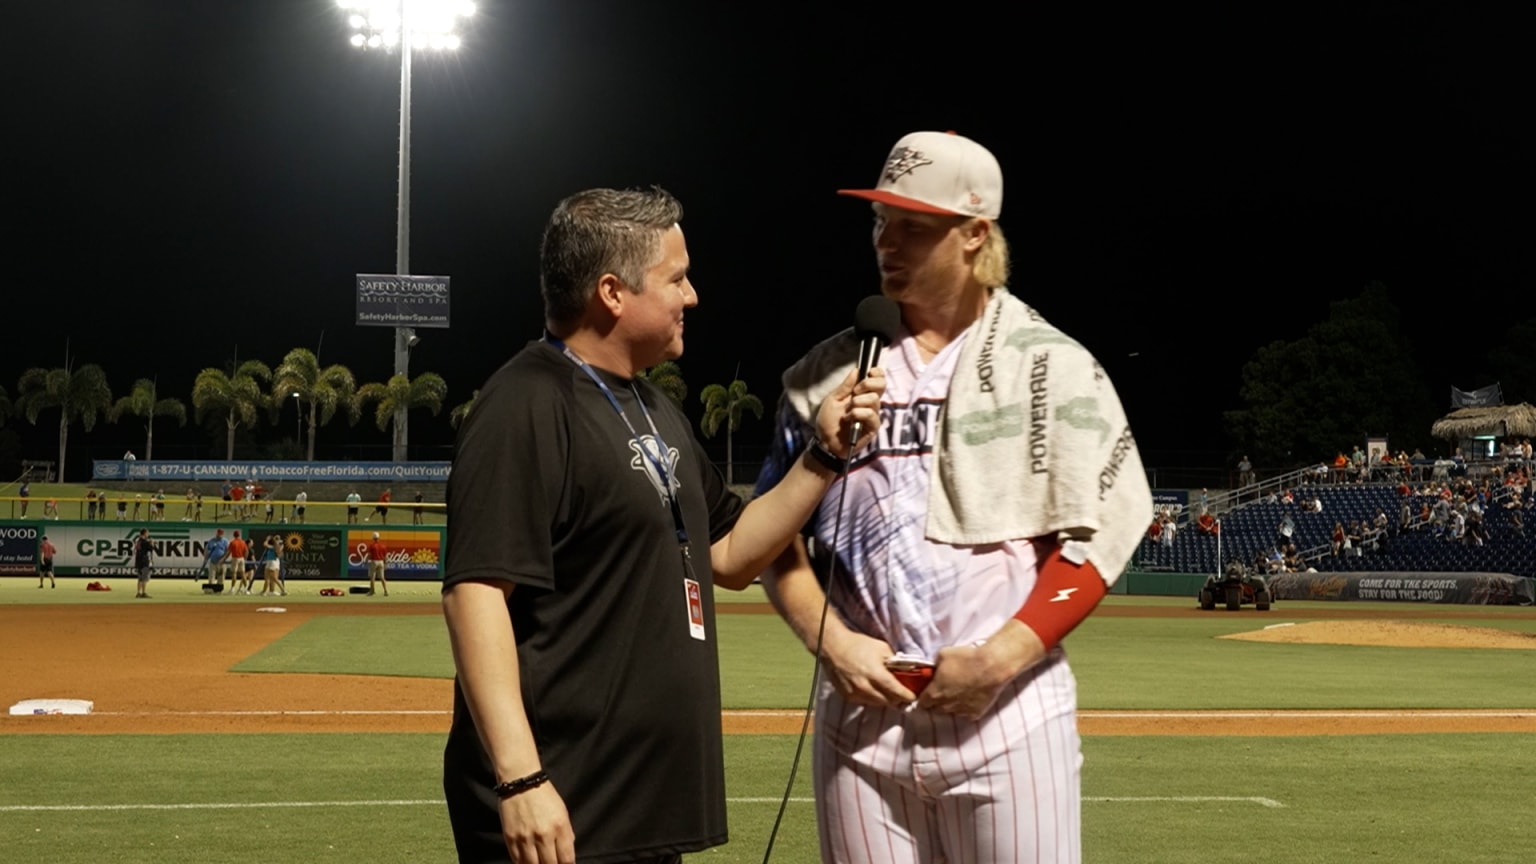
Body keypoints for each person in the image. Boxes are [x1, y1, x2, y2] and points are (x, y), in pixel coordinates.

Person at [439, 186, 884, 863]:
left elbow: (730, 554)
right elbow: (475, 594)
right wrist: (521, 779)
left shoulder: (654, 408)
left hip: (639, 811)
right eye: (676, 278)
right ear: (612, 293)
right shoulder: (525, 403)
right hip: (563, 811)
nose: (692, 296)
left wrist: (823, 456)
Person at [754, 131, 1151, 864]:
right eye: (880, 221)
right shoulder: (825, 375)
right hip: (860, 720)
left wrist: (1002, 658)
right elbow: (769, 535)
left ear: (974, 234)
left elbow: (1102, 533)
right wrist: (828, 642)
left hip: (1007, 717)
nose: (886, 242)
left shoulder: (1050, 366)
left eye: (913, 226)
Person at [132, 528, 154, 599]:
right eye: (147, 533)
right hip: (144, 562)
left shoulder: (138, 541)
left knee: (140, 578)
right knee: (144, 579)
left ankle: (138, 593)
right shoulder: (145, 542)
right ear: (144, 533)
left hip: (138, 561)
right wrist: (151, 543)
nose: (148, 534)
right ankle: (143, 593)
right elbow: (151, 549)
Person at [365, 531, 390, 597]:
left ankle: (372, 591)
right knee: (382, 578)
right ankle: (386, 591)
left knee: (372, 577)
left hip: (374, 562)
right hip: (381, 562)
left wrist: (366, 560)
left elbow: (369, 555)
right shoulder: (383, 546)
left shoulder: (372, 546)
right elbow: (386, 556)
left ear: (373, 538)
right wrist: (386, 563)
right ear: (379, 538)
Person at [226, 530, 249, 595]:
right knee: (243, 574)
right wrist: (245, 558)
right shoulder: (243, 542)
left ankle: (232, 588)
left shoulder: (232, 542)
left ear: (234, 535)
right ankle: (246, 589)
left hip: (235, 558)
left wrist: (224, 559)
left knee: (234, 573)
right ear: (239, 535)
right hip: (241, 558)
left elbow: (228, 552)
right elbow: (246, 551)